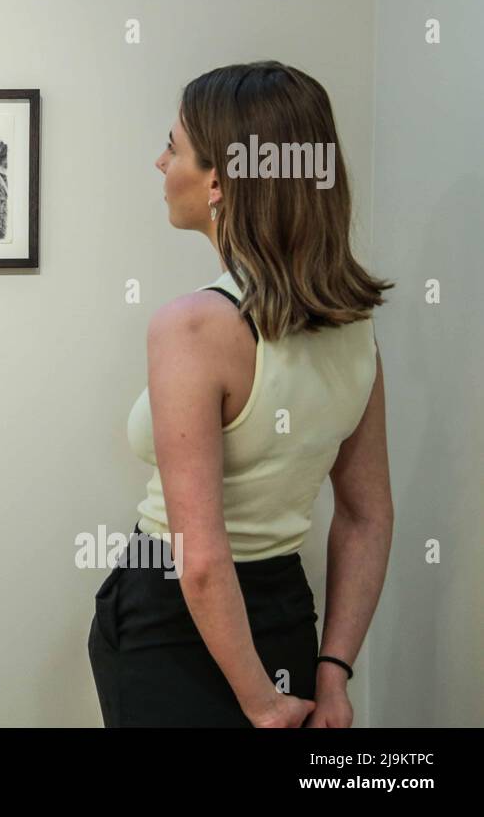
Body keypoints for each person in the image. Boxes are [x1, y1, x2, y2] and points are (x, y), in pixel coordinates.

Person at [88, 61, 395, 727]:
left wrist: (261, 705)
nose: (160, 162)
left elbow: (200, 558)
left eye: (173, 147)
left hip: (173, 621)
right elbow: (367, 517)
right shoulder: (355, 325)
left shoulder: (193, 325)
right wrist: (333, 674)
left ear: (219, 181)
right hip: (283, 613)